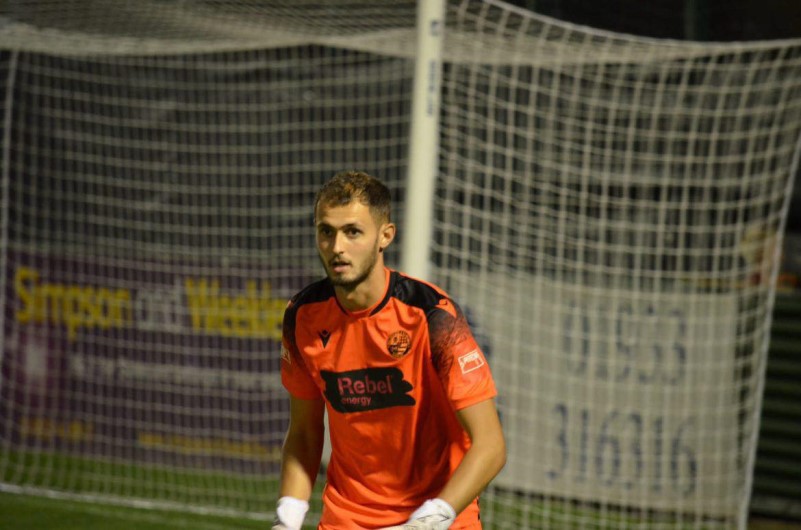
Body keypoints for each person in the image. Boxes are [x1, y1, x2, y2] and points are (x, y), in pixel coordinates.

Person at [273, 171, 506, 530]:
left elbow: (490, 444)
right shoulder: (302, 316)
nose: (337, 247)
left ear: (385, 235)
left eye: (353, 232)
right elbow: (304, 433)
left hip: (437, 518)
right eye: (326, 231)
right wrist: (287, 517)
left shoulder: (432, 315)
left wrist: (432, 518)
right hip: (347, 519)